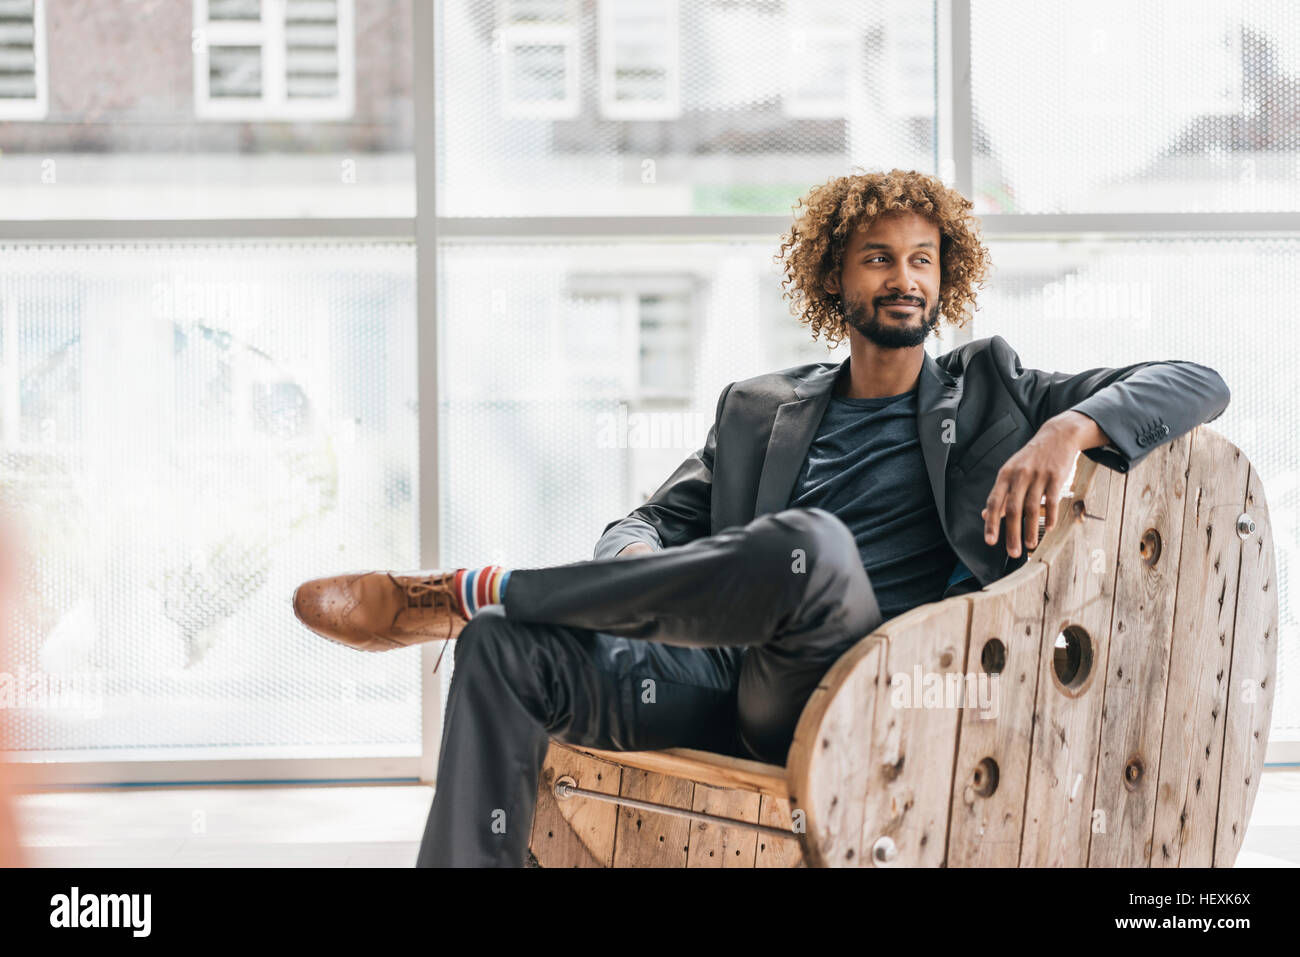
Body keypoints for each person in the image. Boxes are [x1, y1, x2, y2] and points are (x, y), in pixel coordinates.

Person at [291, 168, 1231, 867]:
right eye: (878, 258)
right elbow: (647, 523)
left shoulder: (995, 389)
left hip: (873, 694)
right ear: (836, 278)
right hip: (719, 686)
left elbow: (1200, 379)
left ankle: (471, 588)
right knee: (501, 646)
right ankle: (492, 609)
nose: (903, 277)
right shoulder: (757, 408)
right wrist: (632, 566)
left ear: (945, 280)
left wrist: (1071, 426)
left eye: (921, 259)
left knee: (808, 547)